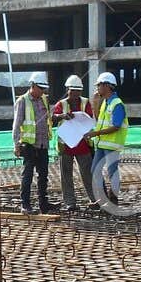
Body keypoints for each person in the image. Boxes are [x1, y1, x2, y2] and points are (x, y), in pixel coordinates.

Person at [13, 71, 56, 213]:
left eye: (44, 89)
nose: (42, 91)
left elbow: (48, 118)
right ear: (33, 86)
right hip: (29, 144)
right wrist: (16, 145)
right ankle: (25, 204)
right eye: (40, 88)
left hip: (43, 143)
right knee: (27, 176)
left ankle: (43, 204)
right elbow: (17, 124)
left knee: (43, 176)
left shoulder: (44, 99)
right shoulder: (22, 101)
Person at [52, 74, 95, 212]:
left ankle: (94, 199)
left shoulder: (85, 102)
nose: (75, 94)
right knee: (66, 176)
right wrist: (62, 116)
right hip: (66, 145)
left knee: (88, 173)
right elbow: (52, 118)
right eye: (72, 91)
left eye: (77, 91)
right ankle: (70, 202)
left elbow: (90, 119)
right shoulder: (61, 104)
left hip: (82, 144)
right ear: (68, 90)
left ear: (81, 91)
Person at [88, 71, 128, 210]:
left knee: (112, 172)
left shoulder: (117, 104)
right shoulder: (105, 102)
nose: (97, 88)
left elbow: (116, 126)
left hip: (112, 144)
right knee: (94, 170)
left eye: (99, 85)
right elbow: (101, 120)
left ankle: (113, 201)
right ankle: (102, 199)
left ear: (107, 86)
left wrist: (96, 133)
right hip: (102, 143)